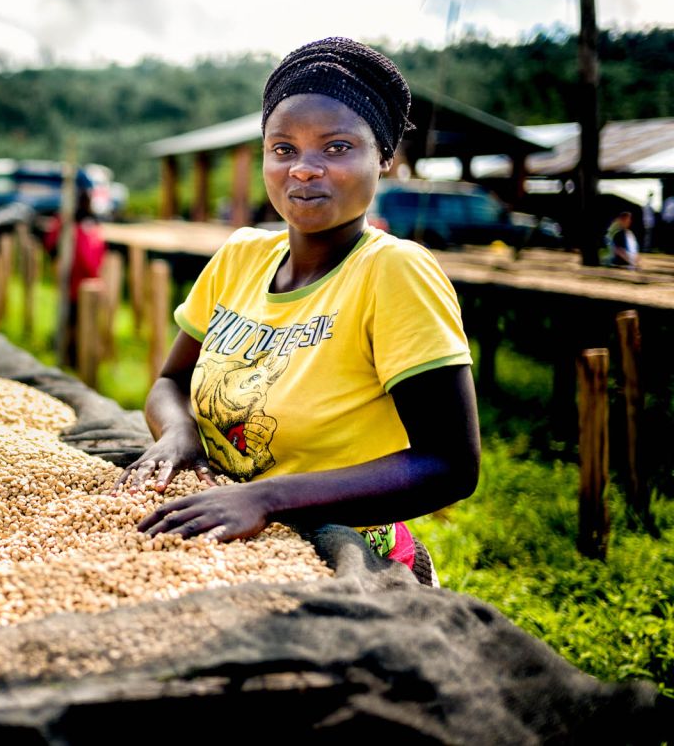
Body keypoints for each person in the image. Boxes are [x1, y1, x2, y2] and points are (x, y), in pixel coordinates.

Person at [114, 37, 480, 585]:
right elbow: (170, 381)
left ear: (383, 156)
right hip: (224, 526)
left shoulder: (394, 273)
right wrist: (178, 433)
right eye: (283, 149)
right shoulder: (240, 256)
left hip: (343, 550)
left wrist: (267, 499)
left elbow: (449, 465)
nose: (304, 169)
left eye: (336, 148)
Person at [44, 186, 106, 367]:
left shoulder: (85, 224)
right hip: (75, 281)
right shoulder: (71, 224)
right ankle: (71, 356)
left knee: (78, 320)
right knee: (73, 319)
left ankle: (78, 357)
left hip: (82, 283)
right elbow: (53, 248)